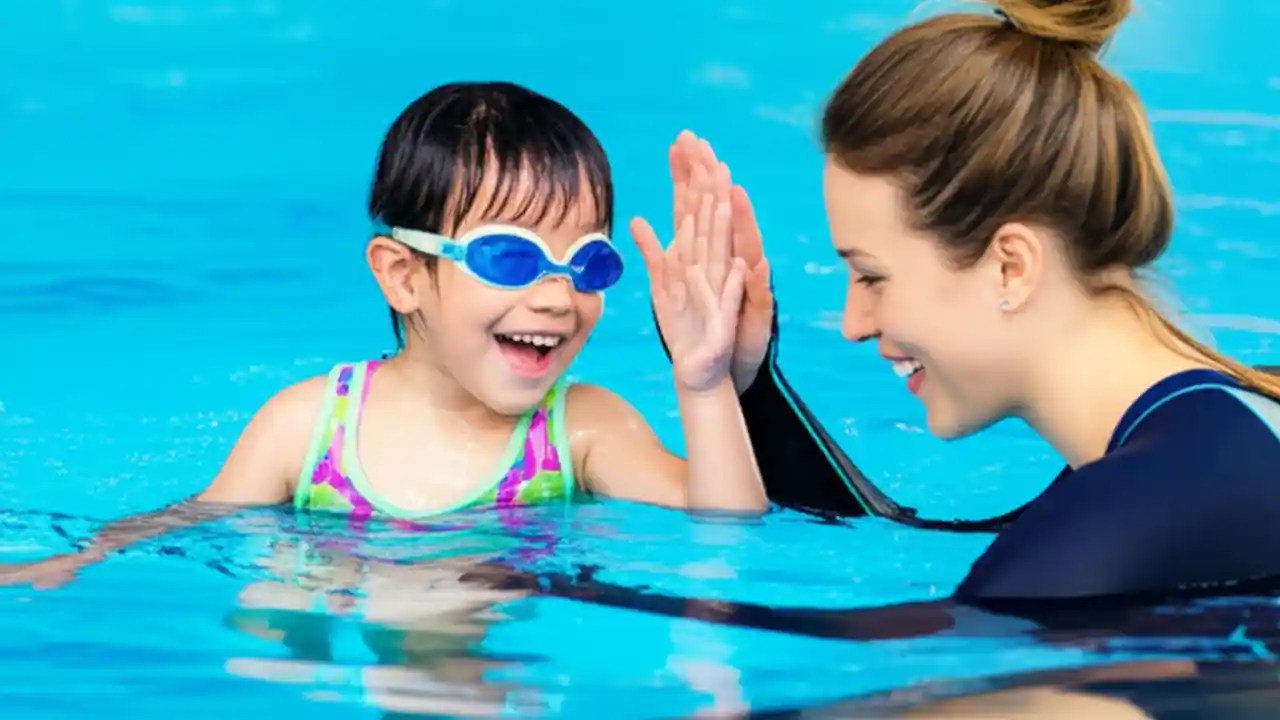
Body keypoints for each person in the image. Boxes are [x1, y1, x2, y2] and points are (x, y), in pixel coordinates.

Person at [632, 0, 1280, 603]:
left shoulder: (1128, 509)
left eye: (872, 277)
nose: (853, 325)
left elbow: (906, 673)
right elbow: (925, 549)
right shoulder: (1198, 448)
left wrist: (544, 585)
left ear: (1011, 267)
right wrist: (746, 382)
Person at [0, 80, 766, 589]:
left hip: (485, 651)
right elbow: (197, 519)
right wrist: (81, 557)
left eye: (589, 263)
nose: (559, 297)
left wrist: (702, 383)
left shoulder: (585, 428)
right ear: (403, 274)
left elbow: (726, 536)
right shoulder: (310, 426)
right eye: (512, 256)